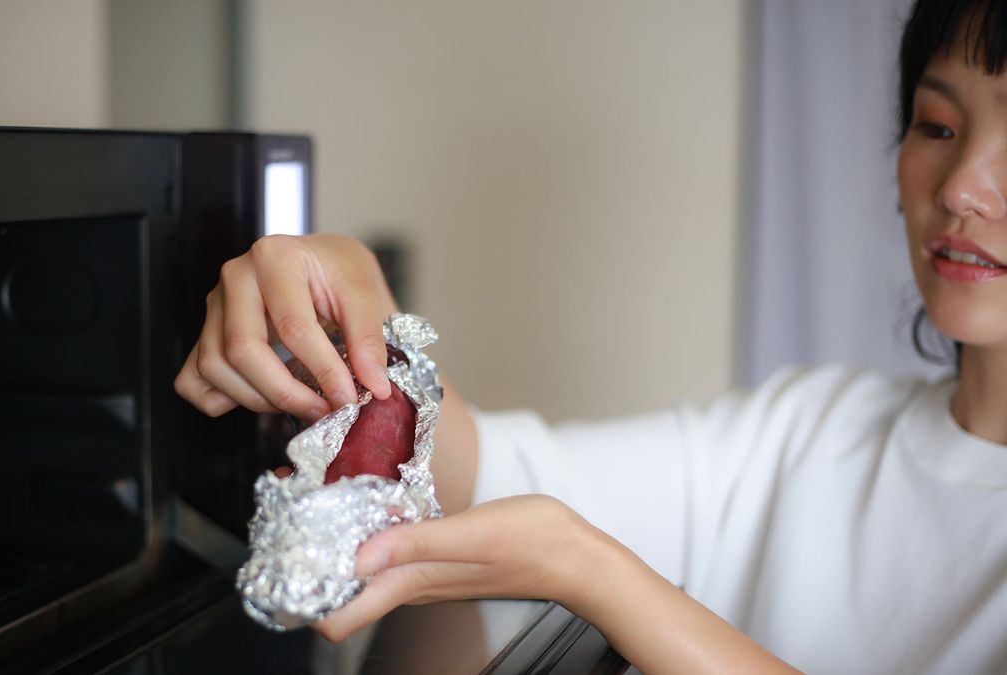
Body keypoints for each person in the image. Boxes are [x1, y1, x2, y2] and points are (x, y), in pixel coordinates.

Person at [174, 0, 1007, 672]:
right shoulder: (813, 430)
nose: (963, 185)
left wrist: (591, 572)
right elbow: (493, 470)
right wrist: (356, 301)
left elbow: (557, 536)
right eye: (937, 125)